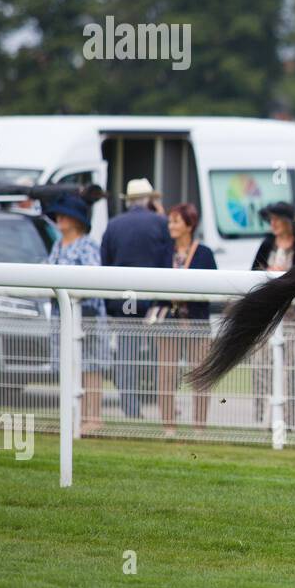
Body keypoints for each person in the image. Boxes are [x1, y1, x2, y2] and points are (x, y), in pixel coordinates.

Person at [101, 178, 172, 419]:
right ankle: (167, 410)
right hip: (153, 300)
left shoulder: (113, 225)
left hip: (123, 300)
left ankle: (131, 410)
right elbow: (167, 261)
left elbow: (105, 265)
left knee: (126, 357)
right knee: (162, 358)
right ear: (149, 200)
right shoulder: (161, 223)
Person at [45, 191, 110, 435]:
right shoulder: (57, 245)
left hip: (87, 316)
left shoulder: (88, 246)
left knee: (91, 366)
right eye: (58, 215)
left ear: (77, 220)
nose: (59, 219)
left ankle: (93, 417)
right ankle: (71, 415)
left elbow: (94, 277)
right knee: (68, 364)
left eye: (65, 215)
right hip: (62, 316)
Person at [154, 203, 217, 436]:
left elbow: (213, 286)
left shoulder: (204, 253)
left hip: (196, 323)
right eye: (170, 221)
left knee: (200, 375)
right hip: (168, 324)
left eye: (176, 221)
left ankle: (199, 427)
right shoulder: (163, 252)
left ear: (189, 225)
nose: (171, 226)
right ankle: (168, 425)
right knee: (166, 375)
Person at [252, 201, 295, 427]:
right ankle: (264, 417)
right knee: (262, 367)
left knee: (293, 369)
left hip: (294, 317)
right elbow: (253, 273)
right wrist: (268, 273)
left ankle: (292, 419)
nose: (273, 224)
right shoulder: (267, 244)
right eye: (271, 219)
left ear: (288, 222)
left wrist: (285, 274)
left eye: (277, 219)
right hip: (268, 315)